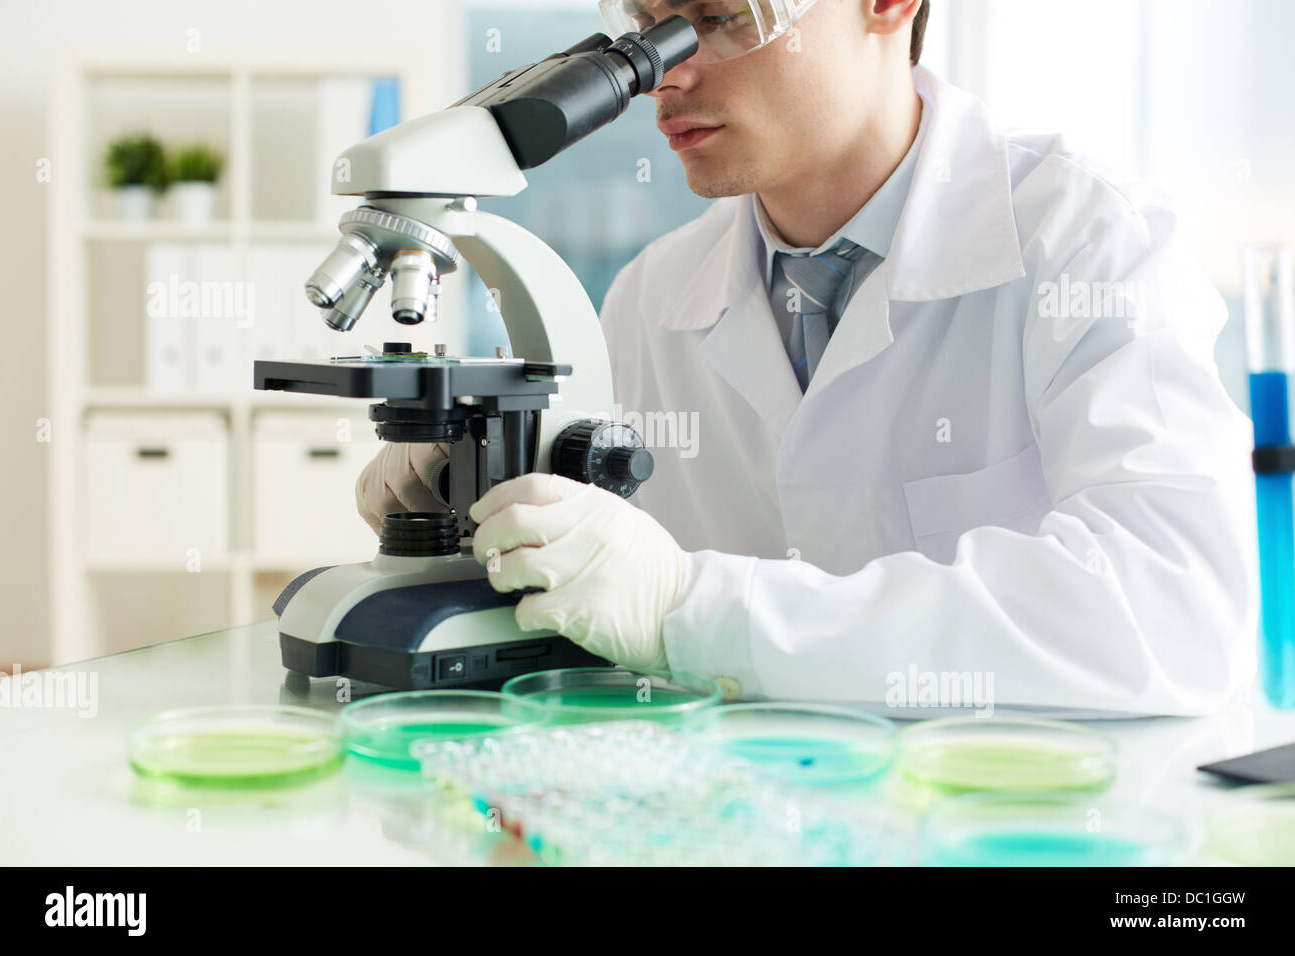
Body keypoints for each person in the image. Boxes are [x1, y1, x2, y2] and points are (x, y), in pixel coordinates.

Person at [357, 0, 1256, 717]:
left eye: (718, 16)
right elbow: (597, 610)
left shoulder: (1090, 244)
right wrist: (482, 500)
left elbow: (1172, 614)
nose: (666, 74)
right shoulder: (650, 295)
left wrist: (691, 607)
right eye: (646, 29)